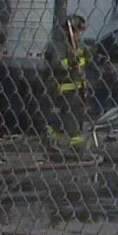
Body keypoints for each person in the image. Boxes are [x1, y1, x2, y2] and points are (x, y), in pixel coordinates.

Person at [43, 13, 91, 152]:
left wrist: (97, 58)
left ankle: (52, 134)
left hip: (78, 87)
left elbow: (88, 56)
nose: (77, 35)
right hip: (62, 87)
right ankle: (77, 146)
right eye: (75, 31)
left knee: (69, 114)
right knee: (71, 116)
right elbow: (58, 63)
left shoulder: (78, 46)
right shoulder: (58, 45)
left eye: (79, 32)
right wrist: (71, 62)